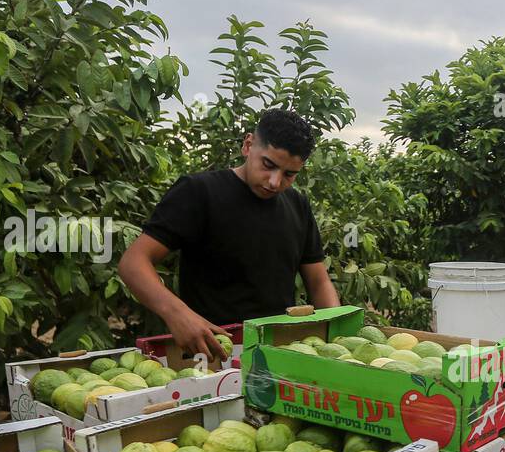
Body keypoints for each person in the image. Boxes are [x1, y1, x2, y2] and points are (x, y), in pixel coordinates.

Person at [119, 108, 340, 362]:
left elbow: (319, 282)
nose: (274, 182)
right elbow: (133, 263)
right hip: (212, 356)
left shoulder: (297, 205)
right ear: (248, 145)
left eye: (289, 174)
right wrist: (177, 314)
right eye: (268, 165)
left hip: (278, 354)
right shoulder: (199, 192)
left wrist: (337, 337)